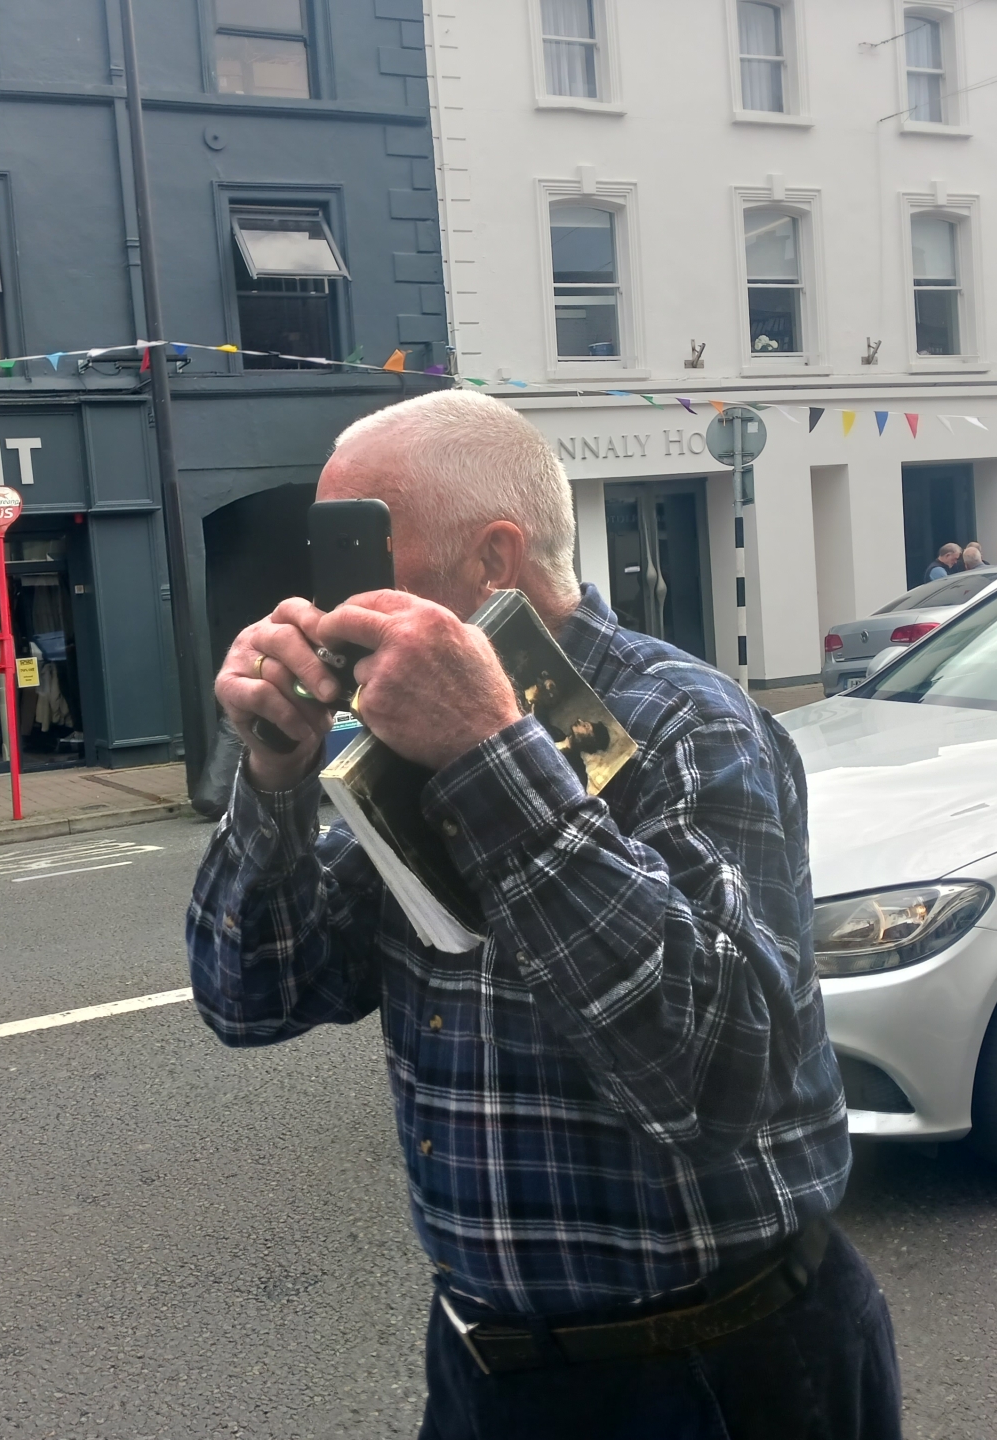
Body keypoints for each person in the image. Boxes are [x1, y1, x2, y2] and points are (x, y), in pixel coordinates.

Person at [188, 390, 897, 1440]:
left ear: (494, 561)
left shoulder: (685, 720)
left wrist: (490, 757)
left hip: (718, 1371)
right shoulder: (391, 731)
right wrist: (276, 775)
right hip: (491, 1372)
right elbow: (254, 996)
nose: (333, 601)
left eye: (364, 550)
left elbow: (719, 1079)